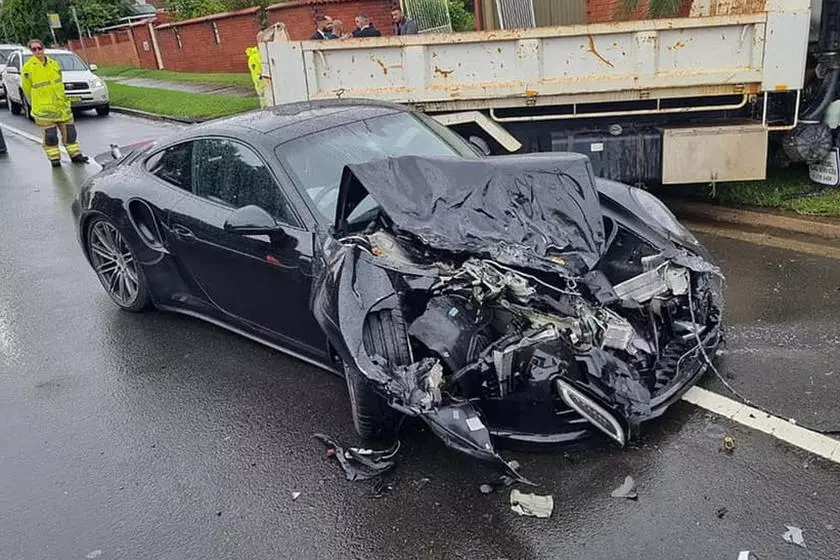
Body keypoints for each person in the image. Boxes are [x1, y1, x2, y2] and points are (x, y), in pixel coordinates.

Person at [21, 39, 88, 167]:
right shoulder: (28, 68)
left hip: (61, 106)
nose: (37, 51)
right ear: (31, 51)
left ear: (43, 48)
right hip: (44, 110)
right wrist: (38, 102)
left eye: (39, 48)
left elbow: (59, 83)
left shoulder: (53, 63)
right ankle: (54, 159)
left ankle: (75, 155)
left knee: (70, 134)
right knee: (50, 136)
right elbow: (27, 89)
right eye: (34, 49)